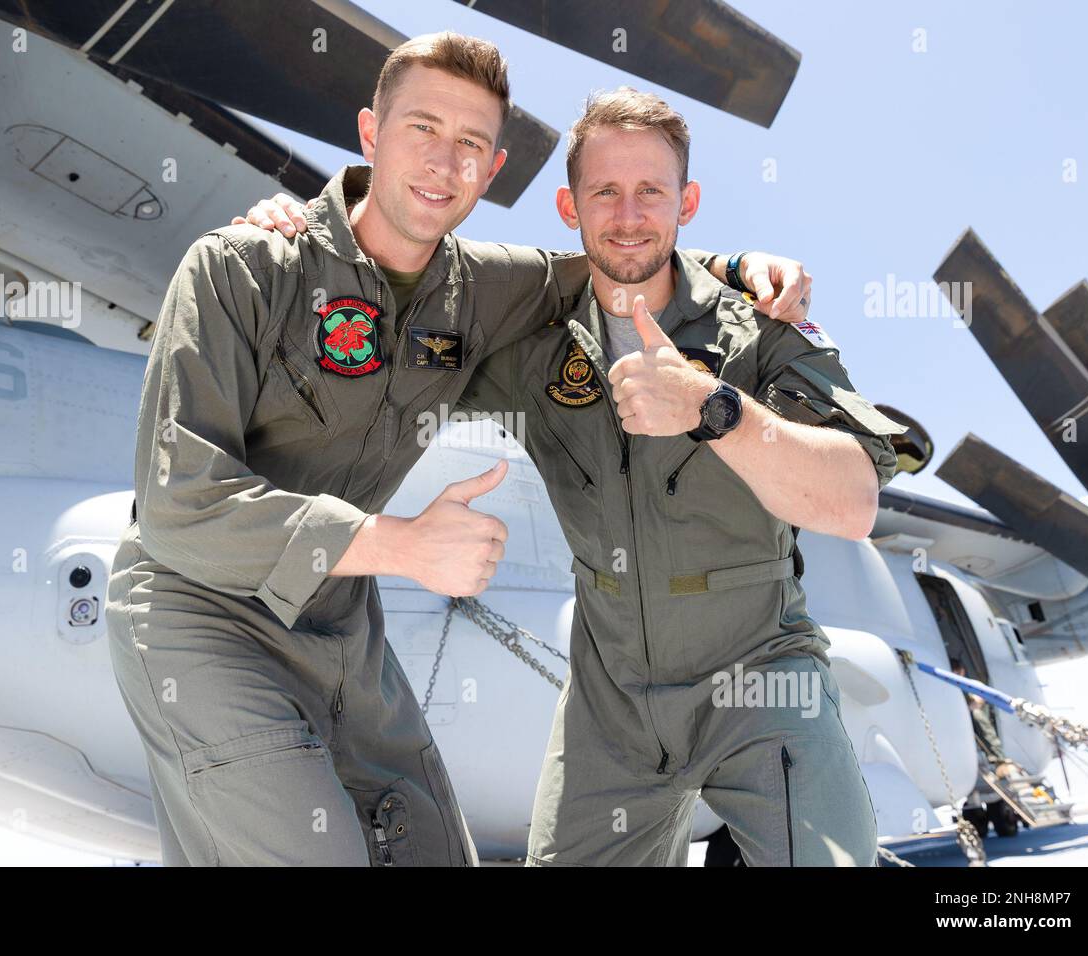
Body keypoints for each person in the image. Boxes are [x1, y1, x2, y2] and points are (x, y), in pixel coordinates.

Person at [109, 32, 810, 866]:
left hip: (338, 629)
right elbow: (179, 499)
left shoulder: (483, 288)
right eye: (423, 129)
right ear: (371, 133)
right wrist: (400, 545)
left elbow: (619, 253)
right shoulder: (244, 268)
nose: (444, 164)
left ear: (494, 167)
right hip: (199, 612)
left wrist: (738, 265)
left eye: (471, 144)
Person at [249, 87, 903, 866]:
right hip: (611, 704)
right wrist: (291, 244)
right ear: (569, 207)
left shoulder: (759, 327)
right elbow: (391, 313)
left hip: (761, 683)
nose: (629, 215)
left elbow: (853, 501)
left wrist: (713, 406)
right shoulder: (532, 341)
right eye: (605, 192)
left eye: (651, 191)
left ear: (687, 201)